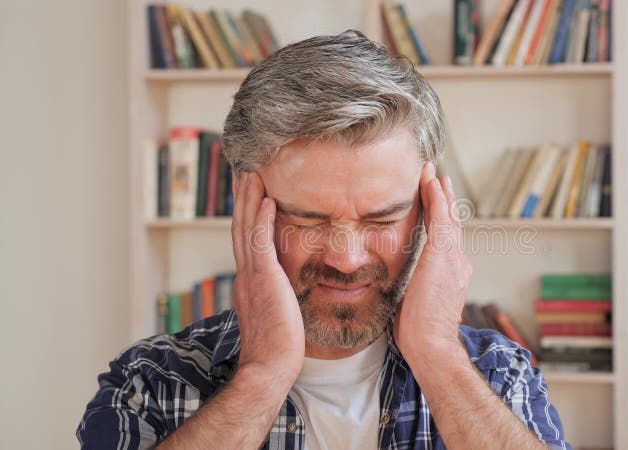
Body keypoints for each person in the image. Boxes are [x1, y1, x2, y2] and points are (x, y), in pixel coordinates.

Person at [77, 30, 571, 450]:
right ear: (246, 203)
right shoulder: (150, 382)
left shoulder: (498, 373)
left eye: (383, 219)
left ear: (430, 214)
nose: (347, 258)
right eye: (309, 220)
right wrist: (262, 376)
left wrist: (439, 357)